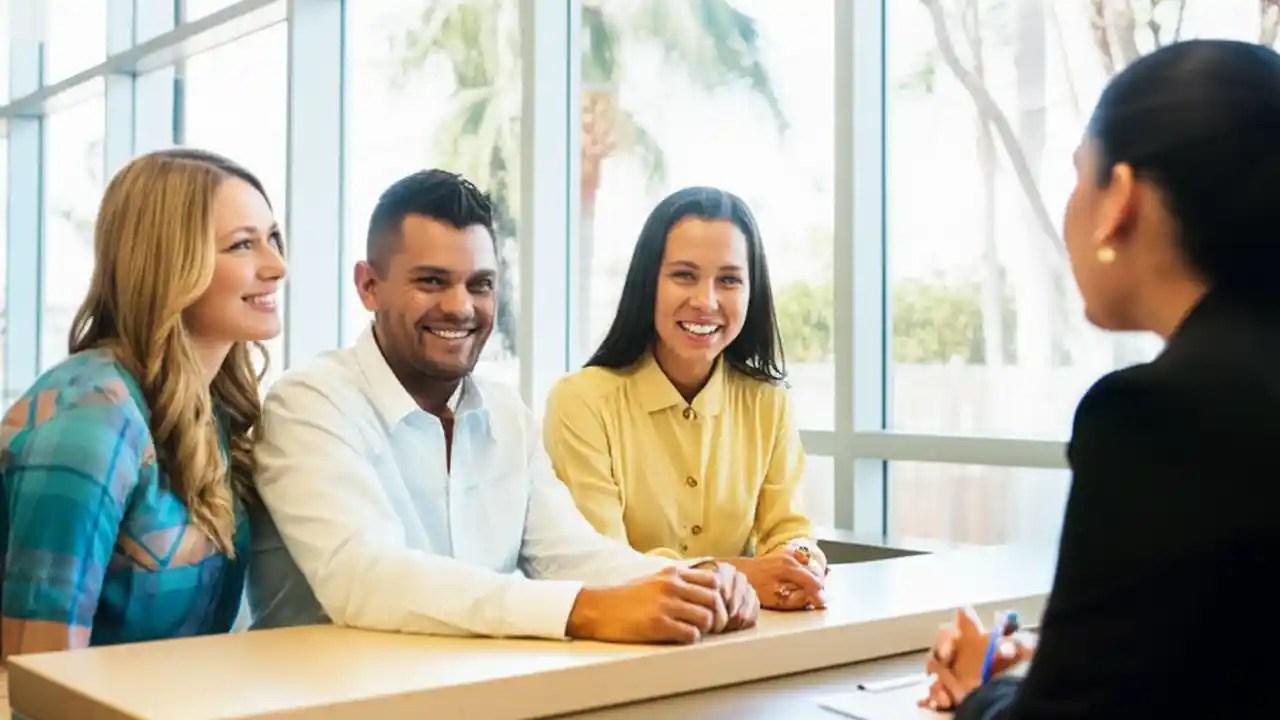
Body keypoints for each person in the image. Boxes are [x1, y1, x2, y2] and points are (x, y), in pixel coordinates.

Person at [920, 39, 1280, 717]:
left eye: (1079, 176)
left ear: (1119, 197)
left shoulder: (1161, 415)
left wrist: (984, 691)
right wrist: (1066, 664)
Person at [248, 170, 757, 644]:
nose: (460, 306)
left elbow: (568, 554)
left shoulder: (506, 414)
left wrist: (694, 581)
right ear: (368, 286)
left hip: (483, 691)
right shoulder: (309, 404)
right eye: (431, 281)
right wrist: (583, 610)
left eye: (480, 284)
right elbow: (365, 578)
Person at [0, 148, 286, 658]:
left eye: (273, 238)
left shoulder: (207, 409)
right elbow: (36, 669)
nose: (277, 266)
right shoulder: (92, 415)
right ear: (169, 263)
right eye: (242, 245)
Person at [543, 187, 827, 612]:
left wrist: (799, 562)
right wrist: (740, 575)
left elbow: (790, 530)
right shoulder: (580, 402)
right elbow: (602, 562)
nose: (705, 302)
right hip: (620, 639)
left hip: (742, 634)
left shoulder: (769, 403)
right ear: (648, 284)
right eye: (684, 275)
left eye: (729, 280)